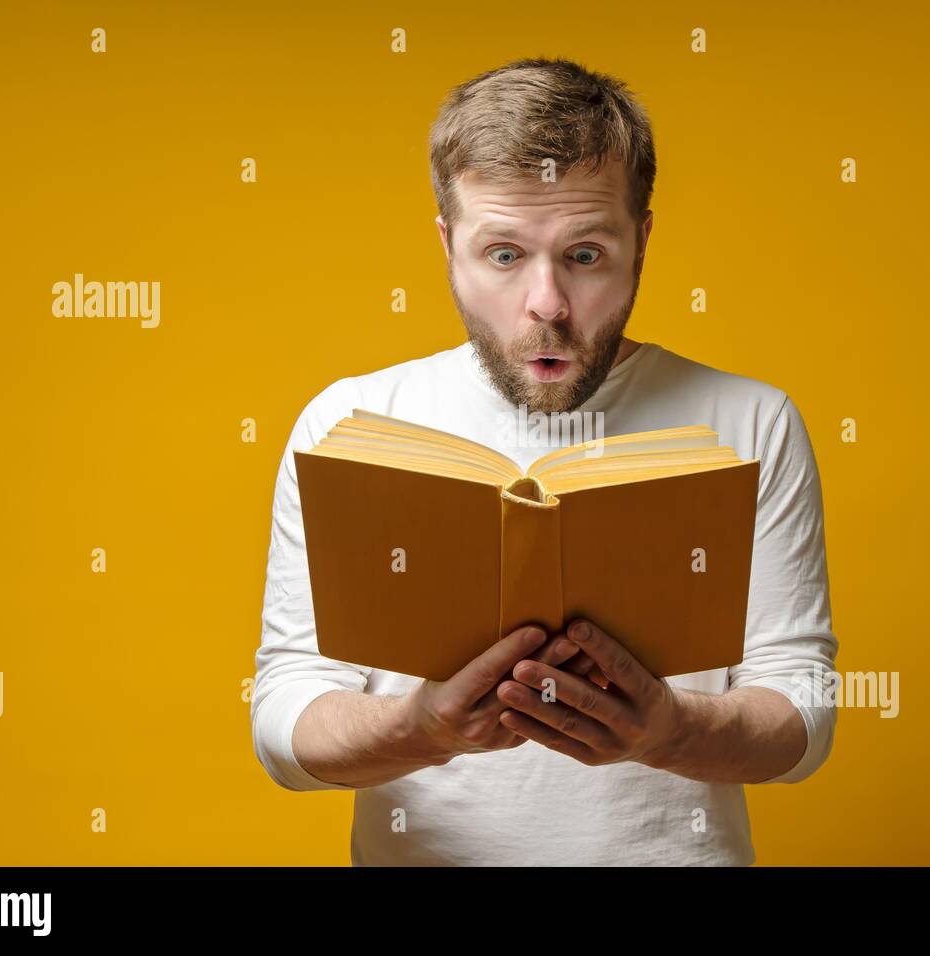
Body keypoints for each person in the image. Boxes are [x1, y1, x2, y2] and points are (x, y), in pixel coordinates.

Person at [251, 57, 839, 865]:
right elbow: (286, 717)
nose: (548, 305)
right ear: (447, 243)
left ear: (642, 241)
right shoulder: (349, 424)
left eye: (586, 254)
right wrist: (417, 730)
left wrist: (668, 732)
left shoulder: (751, 421)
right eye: (503, 255)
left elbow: (803, 712)